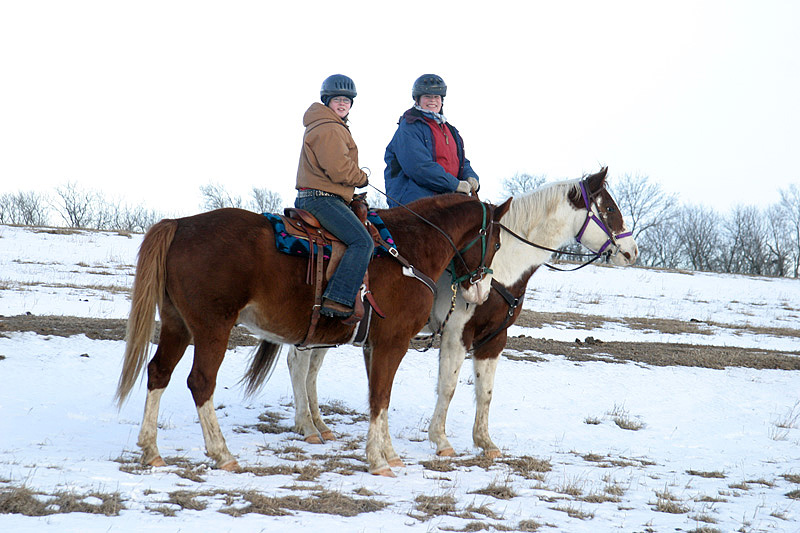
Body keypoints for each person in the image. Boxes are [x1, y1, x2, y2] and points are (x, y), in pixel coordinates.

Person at [295, 74, 372, 319]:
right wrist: (361, 178)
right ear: (327, 101)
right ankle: (337, 299)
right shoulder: (329, 127)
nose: (342, 104)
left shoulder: (327, 125)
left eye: (346, 101)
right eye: (337, 99)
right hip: (322, 199)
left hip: (322, 196)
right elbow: (338, 168)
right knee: (363, 243)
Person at [383, 74, 479, 208]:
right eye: (427, 96)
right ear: (417, 100)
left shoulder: (449, 129)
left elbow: (460, 161)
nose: (432, 100)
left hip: (446, 200)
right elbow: (419, 167)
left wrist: (471, 177)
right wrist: (455, 184)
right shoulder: (410, 127)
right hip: (415, 204)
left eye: (436, 97)